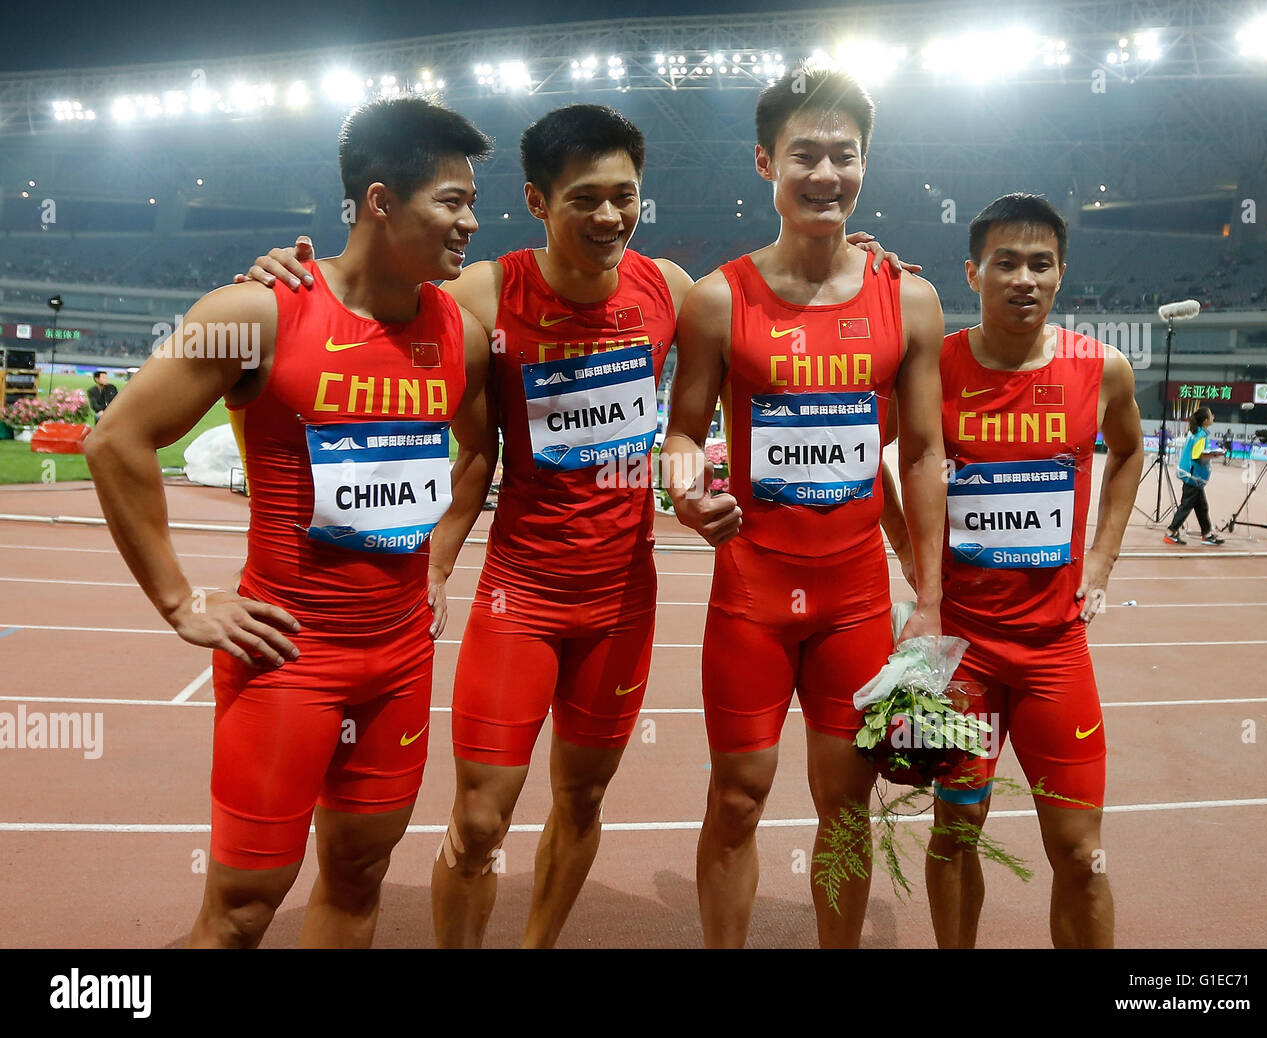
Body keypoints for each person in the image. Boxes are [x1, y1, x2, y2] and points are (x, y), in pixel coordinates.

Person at [243, 103, 910, 949]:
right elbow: (367, 296)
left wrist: (870, 264)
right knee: (481, 822)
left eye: (624, 197)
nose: (609, 217)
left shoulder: (671, 290)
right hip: (521, 596)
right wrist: (290, 273)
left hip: (625, 600)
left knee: (584, 799)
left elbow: (689, 432)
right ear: (536, 200)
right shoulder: (486, 290)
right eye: (585, 199)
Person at [86, 95, 496, 948]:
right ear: (380, 201)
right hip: (287, 659)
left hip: (400, 663)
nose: (471, 222)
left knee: (359, 877)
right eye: (452, 202)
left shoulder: (459, 331)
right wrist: (178, 602)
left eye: (473, 203)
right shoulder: (256, 313)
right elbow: (117, 439)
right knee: (240, 912)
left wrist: (438, 563)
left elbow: (473, 455)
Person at [660, 64, 948, 948]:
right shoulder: (717, 299)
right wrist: (683, 491)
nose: (827, 174)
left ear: (865, 164)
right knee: (736, 798)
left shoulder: (910, 296)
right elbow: (680, 434)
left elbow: (926, 451)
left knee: (848, 805)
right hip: (752, 592)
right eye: (805, 155)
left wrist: (929, 598)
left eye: (844, 155)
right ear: (765, 163)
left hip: (856, 597)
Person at [882, 192, 1145, 948]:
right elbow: (874, 455)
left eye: (1041, 263)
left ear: (1061, 275)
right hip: (962, 657)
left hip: (1055, 654)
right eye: (1006, 263)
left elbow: (1128, 453)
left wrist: (1101, 557)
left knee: (1081, 856)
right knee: (953, 837)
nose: (1023, 278)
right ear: (974, 272)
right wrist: (908, 554)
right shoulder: (933, 369)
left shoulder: (1104, 369)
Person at [1165, 406, 1225, 544]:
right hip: (1193, 476)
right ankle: (1171, 531)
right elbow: (1198, 456)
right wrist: (1214, 454)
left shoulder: (1195, 432)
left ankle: (1207, 533)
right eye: (1211, 415)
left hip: (1192, 476)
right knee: (1186, 506)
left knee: (1201, 507)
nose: (1213, 417)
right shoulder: (1200, 436)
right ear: (1205, 420)